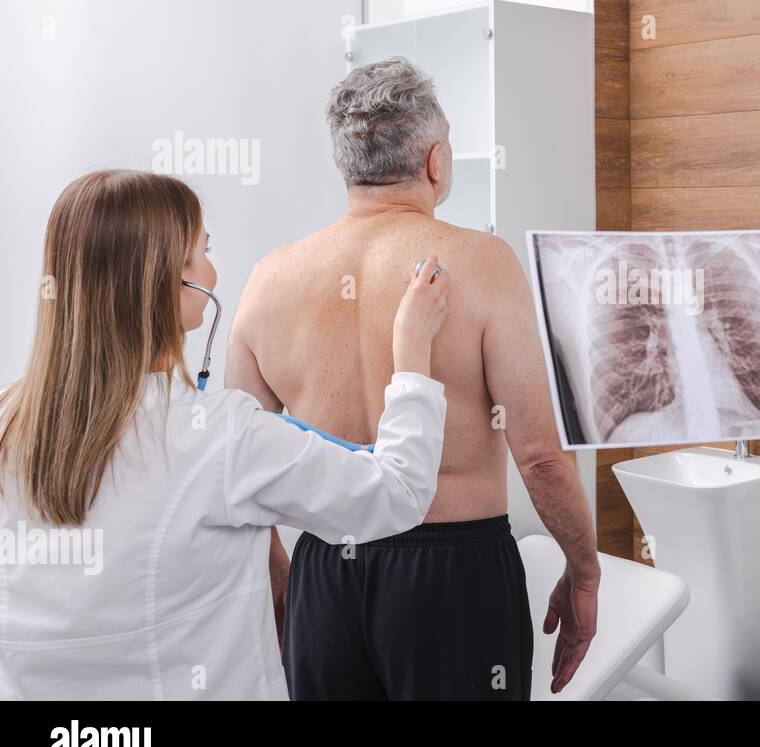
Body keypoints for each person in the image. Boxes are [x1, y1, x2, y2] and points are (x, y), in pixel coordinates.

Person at [227, 57, 599, 700]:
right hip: (456, 575)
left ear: (346, 165)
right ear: (435, 161)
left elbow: (234, 464)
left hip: (325, 566)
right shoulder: (482, 263)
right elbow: (539, 456)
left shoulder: (270, 277)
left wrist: (281, 576)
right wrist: (584, 571)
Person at [0, 170, 450, 700]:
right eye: (203, 251)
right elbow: (396, 493)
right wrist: (413, 357)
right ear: (175, 281)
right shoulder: (221, 437)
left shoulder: (10, 422)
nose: (213, 270)